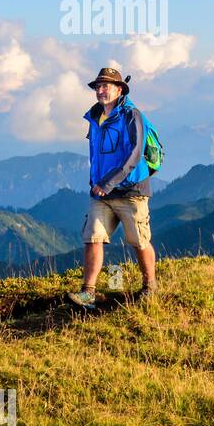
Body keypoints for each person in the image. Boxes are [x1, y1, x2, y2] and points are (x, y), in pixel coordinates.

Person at [68, 67, 157, 308]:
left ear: (119, 89)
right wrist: (96, 183)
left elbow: (134, 155)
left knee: (139, 240)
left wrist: (107, 183)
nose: (100, 90)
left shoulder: (131, 115)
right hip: (101, 192)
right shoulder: (95, 117)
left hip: (131, 191)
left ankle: (150, 286)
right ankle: (88, 292)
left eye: (106, 85)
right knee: (92, 237)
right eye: (98, 86)